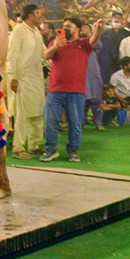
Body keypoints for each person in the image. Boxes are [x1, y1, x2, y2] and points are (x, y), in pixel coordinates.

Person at [41, 17, 103, 162]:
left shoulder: (84, 44)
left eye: (69, 26)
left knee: (75, 122)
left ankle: (74, 151)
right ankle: (51, 150)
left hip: (76, 91)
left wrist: (99, 29)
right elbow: (46, 55)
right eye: (64, 26)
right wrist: (56, 45)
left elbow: (94, 39)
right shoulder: (56, 42)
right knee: (50, 121)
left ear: (78, 29)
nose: (65, 28)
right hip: (55, 90)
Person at [6, 4, 46, 159]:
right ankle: (18, 148)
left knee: (37, 112)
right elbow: (12, 55)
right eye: (37, 13)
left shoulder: (36, 32)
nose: (40, 16)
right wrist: (13, 77)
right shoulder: (19, 31)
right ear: (30, 15)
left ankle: (35, 145)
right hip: (22, 78)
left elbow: (44, 54)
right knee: (22, 114)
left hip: (36, 77)